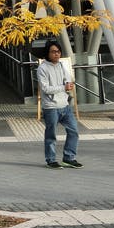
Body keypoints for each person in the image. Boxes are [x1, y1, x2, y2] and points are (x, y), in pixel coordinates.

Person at [37, 40, 81, 169]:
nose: (56, 54)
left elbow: (68, 80)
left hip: (65, 106)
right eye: (53, 52)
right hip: (51, 107)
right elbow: (45, 89)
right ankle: (51, 160)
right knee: (51, 135)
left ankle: (69, 158)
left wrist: (68, 85)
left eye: (58, 52)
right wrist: (63, 87)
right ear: (47, 53)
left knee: (74, 131)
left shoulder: (62, 66)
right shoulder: (42, 68)